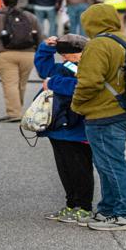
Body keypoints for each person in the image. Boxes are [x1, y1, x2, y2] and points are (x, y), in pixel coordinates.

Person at [70, 3, 126, 231]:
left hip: (104, 112)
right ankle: (107, 210)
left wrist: (77, 104)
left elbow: (90, 81)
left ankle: (125, 214)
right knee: (108, 162)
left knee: (111, 164)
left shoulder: (99, 45)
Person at [33, 33, 92, 225]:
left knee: (80, 167)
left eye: (69, 54)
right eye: (63, 54)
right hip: (57, 125)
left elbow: (82, 86)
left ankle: (84, 207)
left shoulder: (90, 66)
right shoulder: (64, 66)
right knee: (64, 167)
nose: (65, 58)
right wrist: (45, 48)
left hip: (77, 125)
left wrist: (52, 83)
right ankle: (71, 204)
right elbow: (44, 70)